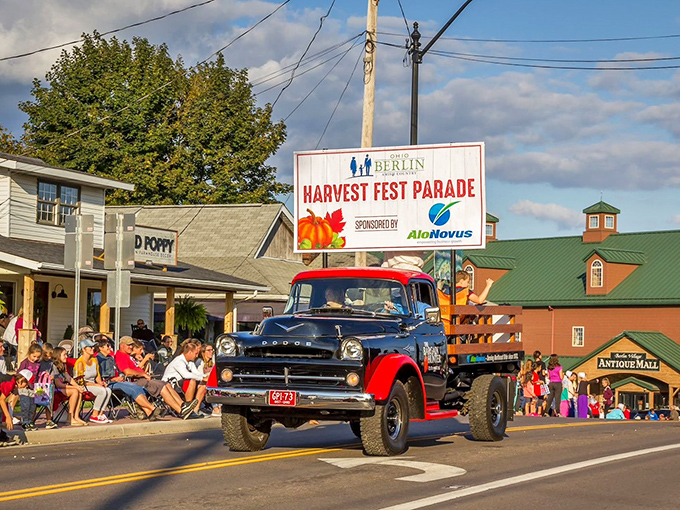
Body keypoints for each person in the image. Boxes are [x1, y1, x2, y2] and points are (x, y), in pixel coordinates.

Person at [115, 336, 197, 419]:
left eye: (132, 345)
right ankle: (180, 411)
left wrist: (145, 362)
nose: (131, 347)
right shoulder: (120, 356)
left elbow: (140, 370)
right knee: (162, 387)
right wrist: (143, 375)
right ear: (122, 345)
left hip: (142, 379)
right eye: (129, 345)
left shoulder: (129, 356)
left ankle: (183, 405)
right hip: (135, 382)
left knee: (166, 384)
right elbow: (127, 372)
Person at [95, 338, 160, 421]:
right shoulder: (99, 359)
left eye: (110, 345)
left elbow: (119, 368)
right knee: (132, 388)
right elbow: (100, 376)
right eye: (107, 346)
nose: (110, 347)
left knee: (137, 387)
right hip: (110, 383)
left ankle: (149, 413)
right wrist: (114, 379)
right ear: (100, 348)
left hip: (119, 381)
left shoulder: (110, 357)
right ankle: (152, 408)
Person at [162, 340, 208, 417]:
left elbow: (196, 373)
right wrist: (202, 378)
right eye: (195, 353)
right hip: (171, 384)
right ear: (190, 353)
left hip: (180, 383)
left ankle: (195, 410)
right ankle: (187, 408)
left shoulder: (190, 362)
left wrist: (205, 377)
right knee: (192, 381)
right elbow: (186, 375)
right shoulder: (179, 361)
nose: (197, 356)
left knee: (203, 384)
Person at [74, 338, 112, 424]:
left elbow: (97, 376)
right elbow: (79, 381)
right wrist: (96, 385)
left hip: (93, 385)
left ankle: (100, 414)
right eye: (90, 347)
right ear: (84, 349)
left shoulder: (94, 360)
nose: (93, 349)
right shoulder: (80, 363)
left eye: (93, 347)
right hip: (84, 386)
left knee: (108, 390)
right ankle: (94, 415)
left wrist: (101, 383)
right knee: (102, 391)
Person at [52, 346, 87, 426]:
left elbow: (69, 378)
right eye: (64, 355)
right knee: (74, 391)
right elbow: (58, 384)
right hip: (55, 389)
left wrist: (77, 386)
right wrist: (74, 387)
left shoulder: (63, 365)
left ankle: (76, 416)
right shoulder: (54, 366)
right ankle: (69, 418)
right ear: (58, 356)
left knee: (79, 391)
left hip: (63, 387)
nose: (66, 357)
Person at [0, 370, 30, 446]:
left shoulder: (13, 382)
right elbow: (1, 400)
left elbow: (10, 400)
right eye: (26, 384)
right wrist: (7, 417)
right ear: (20, 380)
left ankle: (2, 437)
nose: (26, 387)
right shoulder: (10, 383)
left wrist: (10, 415)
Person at [17, 342, 42, 430]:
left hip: (33, 387)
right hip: (25, 387)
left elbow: (38, 374)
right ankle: (25, 421)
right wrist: (23, 382)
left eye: (38, 357)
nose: (35, 359)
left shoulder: (38, 364)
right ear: (29, 353)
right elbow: (19, 374)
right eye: (34, 356)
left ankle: (30, 421)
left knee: (32, 406)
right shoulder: (25, 363)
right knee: (25, 405)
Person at [37, 343, 58, 429]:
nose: (48, 358)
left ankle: (49, 420)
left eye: (49, 356)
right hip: (39, 385)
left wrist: (51, 376)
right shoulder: (39, 362)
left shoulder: (51, 363)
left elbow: (54, 372)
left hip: (48, 385)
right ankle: (30, 419)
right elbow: (36, 372)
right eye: (46, 356)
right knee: (36, 402)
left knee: (48, 403)